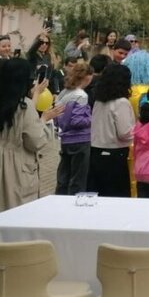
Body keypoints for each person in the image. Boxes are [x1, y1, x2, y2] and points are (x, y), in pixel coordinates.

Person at [0, 58, 60, 221]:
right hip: (17, 166)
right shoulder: (24, 106)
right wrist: (43, 120)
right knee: (14, 211)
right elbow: (35, 142)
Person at [88, 63, 134, 197]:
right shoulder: (121, 103)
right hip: (115, 154)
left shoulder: (99, 101)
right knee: (117, 195)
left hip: (96, 151)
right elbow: (124, 132)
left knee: (99, 194)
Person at [53, 60, 94, 195]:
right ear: (87, 77)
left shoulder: (63, 93)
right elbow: (77, 121)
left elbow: (57, 115)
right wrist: (91, 119)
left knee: (64, 176)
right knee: (78, 177)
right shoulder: (81, 95)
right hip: (80, 139)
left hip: (65, 139)